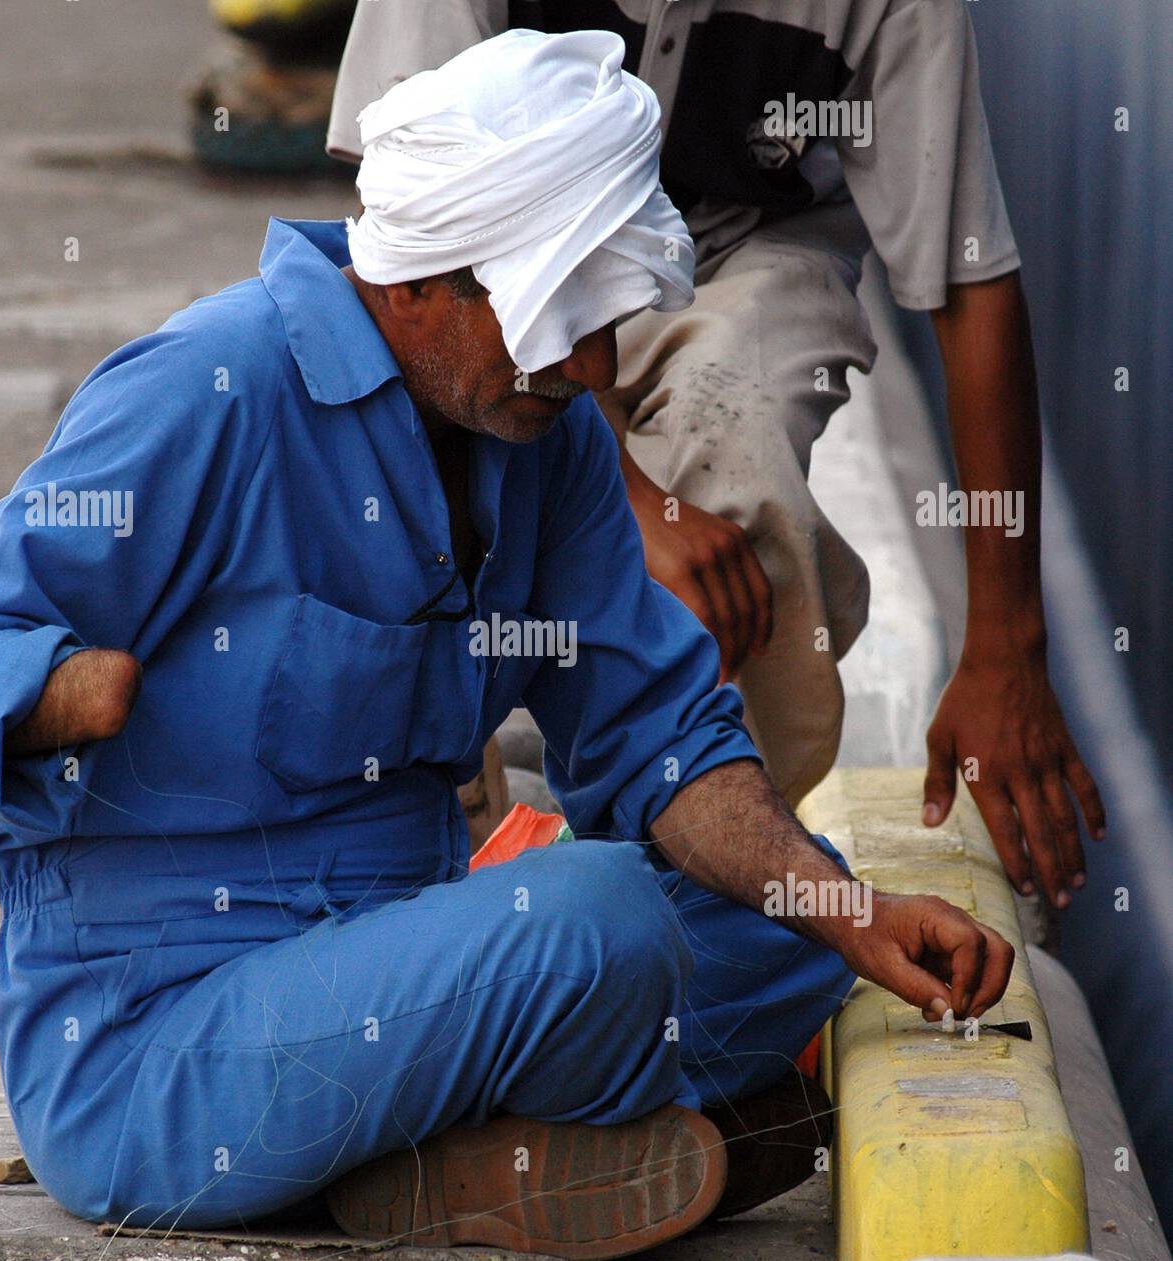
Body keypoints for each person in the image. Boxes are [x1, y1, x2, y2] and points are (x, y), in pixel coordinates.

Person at [0, 31, 1012, 1259]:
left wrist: (847, 914)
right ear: (423, 280)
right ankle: (493, 1133)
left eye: (598, 324)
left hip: (387, 964)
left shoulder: (544, 434)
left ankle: (435, 1154)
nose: (590, 369)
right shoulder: (209, 389)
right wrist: (59, 692)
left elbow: (658, 738)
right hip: (151, 1057)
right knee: (601, 925)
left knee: (786, 930)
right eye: (558, 325)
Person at [328, 0, 1106, 911]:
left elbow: (971, 282)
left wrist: (1007, 650)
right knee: (441, 422)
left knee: (738, 463)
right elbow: (407, 239)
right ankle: (459, 846)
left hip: (744, 251)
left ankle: (703, 883)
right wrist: (632, 504)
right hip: (504, 262)